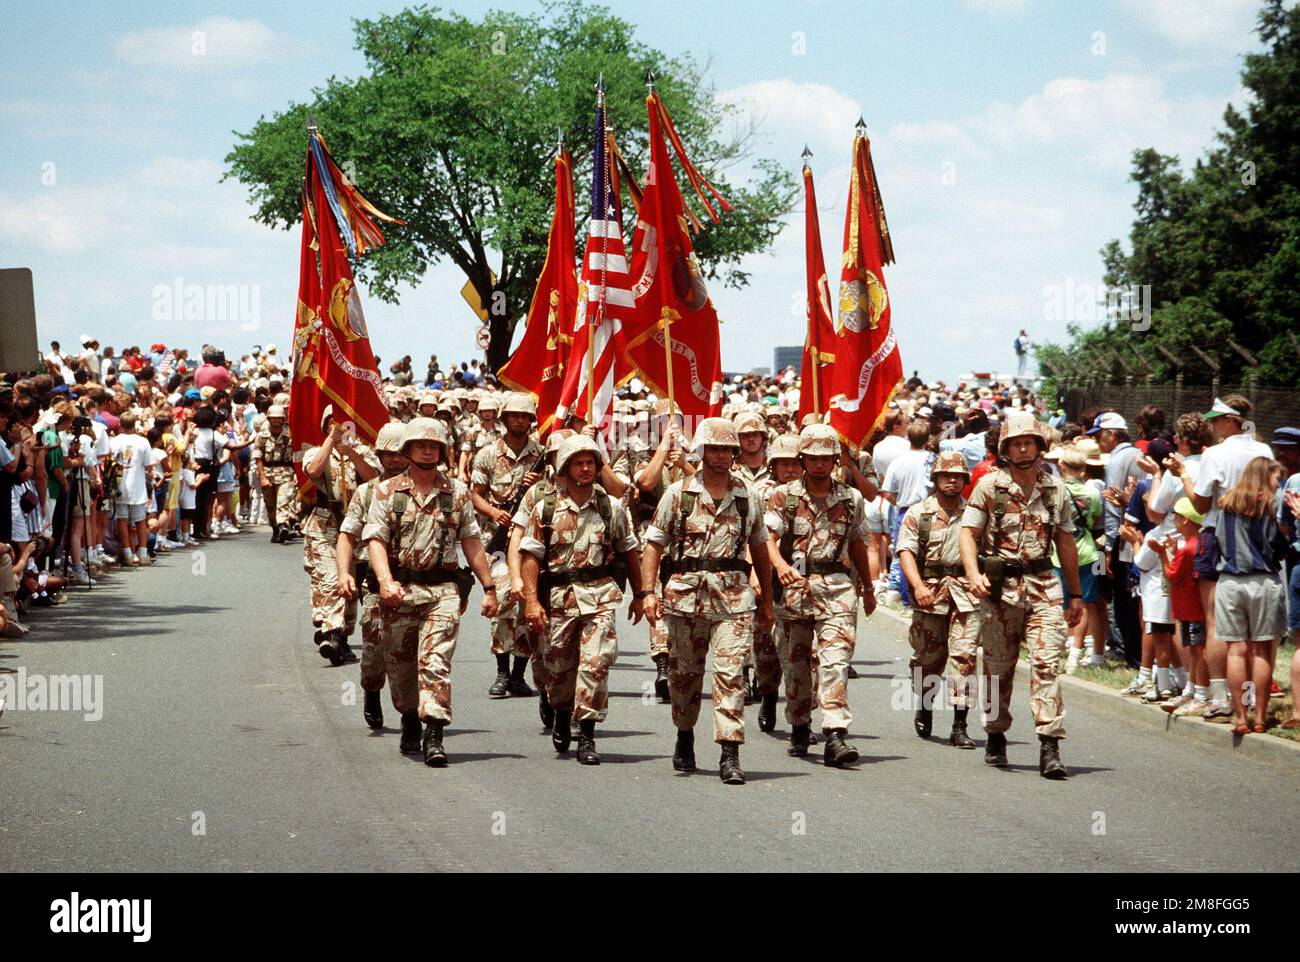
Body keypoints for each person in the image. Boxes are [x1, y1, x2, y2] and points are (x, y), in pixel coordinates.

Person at [641, 418, 774, 785]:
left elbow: (760, 549)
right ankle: (684, 735)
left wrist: (767, 600)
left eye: (726, 450)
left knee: (731, 676)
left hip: (733, 599)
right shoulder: (678, 495)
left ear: (735, 453)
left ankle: (729, 753)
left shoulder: (748, 498)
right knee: (685, 678)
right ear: (701, 451)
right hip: (686, 600)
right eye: (713, 449)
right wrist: (648, 592)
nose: (720, 456)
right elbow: (653, 544)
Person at [364, 418, 499, 766]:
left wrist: (489, 587)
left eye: (434, 445)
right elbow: (376, 540)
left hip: (443, 590)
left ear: (441, 451)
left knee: (435, 661)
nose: (427, 449)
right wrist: (384, 582)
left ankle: (434, 733)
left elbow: (471, 540)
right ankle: (409, 717)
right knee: (401, 665)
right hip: (400, 590)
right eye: (420, 444)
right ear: (406, 451)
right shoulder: (386, 491)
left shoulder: (456, 492)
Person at [959, 413, 1083, 779]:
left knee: (1046, 666)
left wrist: (1075, 594)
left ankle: (1049, 744)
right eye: (1016, 443)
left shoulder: (1055, 489)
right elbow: (968, 534)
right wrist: (973, 575)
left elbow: (1065, 541)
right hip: (1000, 591)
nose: (1024, 448)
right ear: (1005, 450)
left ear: (1041, 447)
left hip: (1044, 586)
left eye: (1030, 442)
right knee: (999, 669)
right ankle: (996, 733)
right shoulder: (989, 487)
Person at [520, 434, 644, 767]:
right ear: (565, 468)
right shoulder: (546, 507)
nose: (586, 468)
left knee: (596, 663)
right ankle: (561, 711)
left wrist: (641, 594)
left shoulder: (610, 508)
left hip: (600, 595)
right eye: (578, 462)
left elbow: (629, 551)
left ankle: (587, 732)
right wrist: (532, 601)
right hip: (560, 598)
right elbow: (530, 556)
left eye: (591, 462)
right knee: (559, 668)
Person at [764, 424, 876, 767]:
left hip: (837, 589)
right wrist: (780, 566)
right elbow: (766, 538)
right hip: (795, 588)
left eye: (826, 458)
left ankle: (836, 733)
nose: (819, 465)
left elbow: (857, 543)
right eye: (812, 458)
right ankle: (799, 724)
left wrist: (868, 587)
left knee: (834, 663)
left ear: (834, 461)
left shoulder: (849, 498)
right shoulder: (784, 496)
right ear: (802, 459)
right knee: (796, 667)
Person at [1188, 396, 1274, 720]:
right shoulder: (1264, 451)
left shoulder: (1216, 453)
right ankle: (1251, 698)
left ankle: (1221, 697)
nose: (1211, 425)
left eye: (1216, 419)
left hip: (1218, 532)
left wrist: (1185, 479)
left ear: (1230, 420)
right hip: (1258, 533)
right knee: (1255, 626)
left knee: (1216, 621)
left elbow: (1199, 505)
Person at [896, 451, 979, 748]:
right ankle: (925, 704)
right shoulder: (920, 513)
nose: (952, 481)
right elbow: (905, 550)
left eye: (958, 477)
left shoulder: (974, 514)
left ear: (965, 481)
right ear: (936, 478)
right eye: (947, 476)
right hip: (930, 593)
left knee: (965, 659)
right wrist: (917, 585)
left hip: (966, 596)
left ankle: (960, 724)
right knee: (927, 660)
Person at [335, 422, 409, 735]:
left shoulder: (424, 489)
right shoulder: (366, 493)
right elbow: (347, 535)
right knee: (375, 649)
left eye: (400, 454)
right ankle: (372, 691)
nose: (395, 460)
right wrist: (343, 573)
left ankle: (412, 715)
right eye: (389, 454)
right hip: (376, 582)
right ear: (379, 455)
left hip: (413, 580)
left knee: (411, 652)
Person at [470, 393, 544, 698]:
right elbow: (475, 494)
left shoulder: (542, 455)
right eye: (513, 415)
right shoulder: (488, 454)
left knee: (529, 602)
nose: (519, 420)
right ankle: (501, 671)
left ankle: (518, 674)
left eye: (524, 416)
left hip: (530, 540)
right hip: (497, 541)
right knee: (502, 601)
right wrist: (494, 512)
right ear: (504, 419)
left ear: (530, 421)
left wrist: (537, 483)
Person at [1213, 456, 1287, 734]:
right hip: (1264, 580)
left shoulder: (1228, 503)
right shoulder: (1273, 504)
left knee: (1236, 650)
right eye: (1276, 478)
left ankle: (1242, 714)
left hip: (1231, 581)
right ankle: (1260, 716)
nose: (1278, 483)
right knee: (1261, 650)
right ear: (1266, 476)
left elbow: (1220, 539)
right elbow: (1280, 542)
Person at [303, 408, 379, 665]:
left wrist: (353, 455)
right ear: (326, 426)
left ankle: (341, 637)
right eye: (334, 424)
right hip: (326, 526)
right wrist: (331, 442)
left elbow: (376, 480)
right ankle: (332, 633)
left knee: (352, 583)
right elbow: (313, 470)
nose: (342, 429)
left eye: (347, 425)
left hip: (358, 525)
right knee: (331, 579)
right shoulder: (316, 451)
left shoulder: (366, 453)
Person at [1088, 412, 1143, 667]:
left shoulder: (1116, 460)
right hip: (1142, 532)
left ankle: (1133, 656)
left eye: (1099, 436)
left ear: (1111, 435)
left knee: (1122, 599)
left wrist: (1109, 547)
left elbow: (1111, 507)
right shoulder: (1138, 454)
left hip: (1122, 537)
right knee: (1136, 597)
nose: (1098, 442)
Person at [107, 413, 153, 566]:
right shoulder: (142, 441)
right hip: (137, 486)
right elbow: (148, 465)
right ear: (135, 424)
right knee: (140, 520)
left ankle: (127, 553)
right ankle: (143, 553)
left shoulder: (114, 441)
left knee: (122, 520)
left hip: (119, 485)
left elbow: (109, 461)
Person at [251, 405, 297, 543]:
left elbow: (295, 456)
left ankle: (283, 524)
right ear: (269, 419)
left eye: (279, 418)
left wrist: (296, 474)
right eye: (274, 418)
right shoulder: (261, 436)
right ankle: (276, 529)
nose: (276, 421)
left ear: (283, 419)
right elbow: (258, 458)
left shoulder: (289, 435)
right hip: (268, 472)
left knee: (283, 500)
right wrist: (263, 477)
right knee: (270, 504)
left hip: (285, 472)